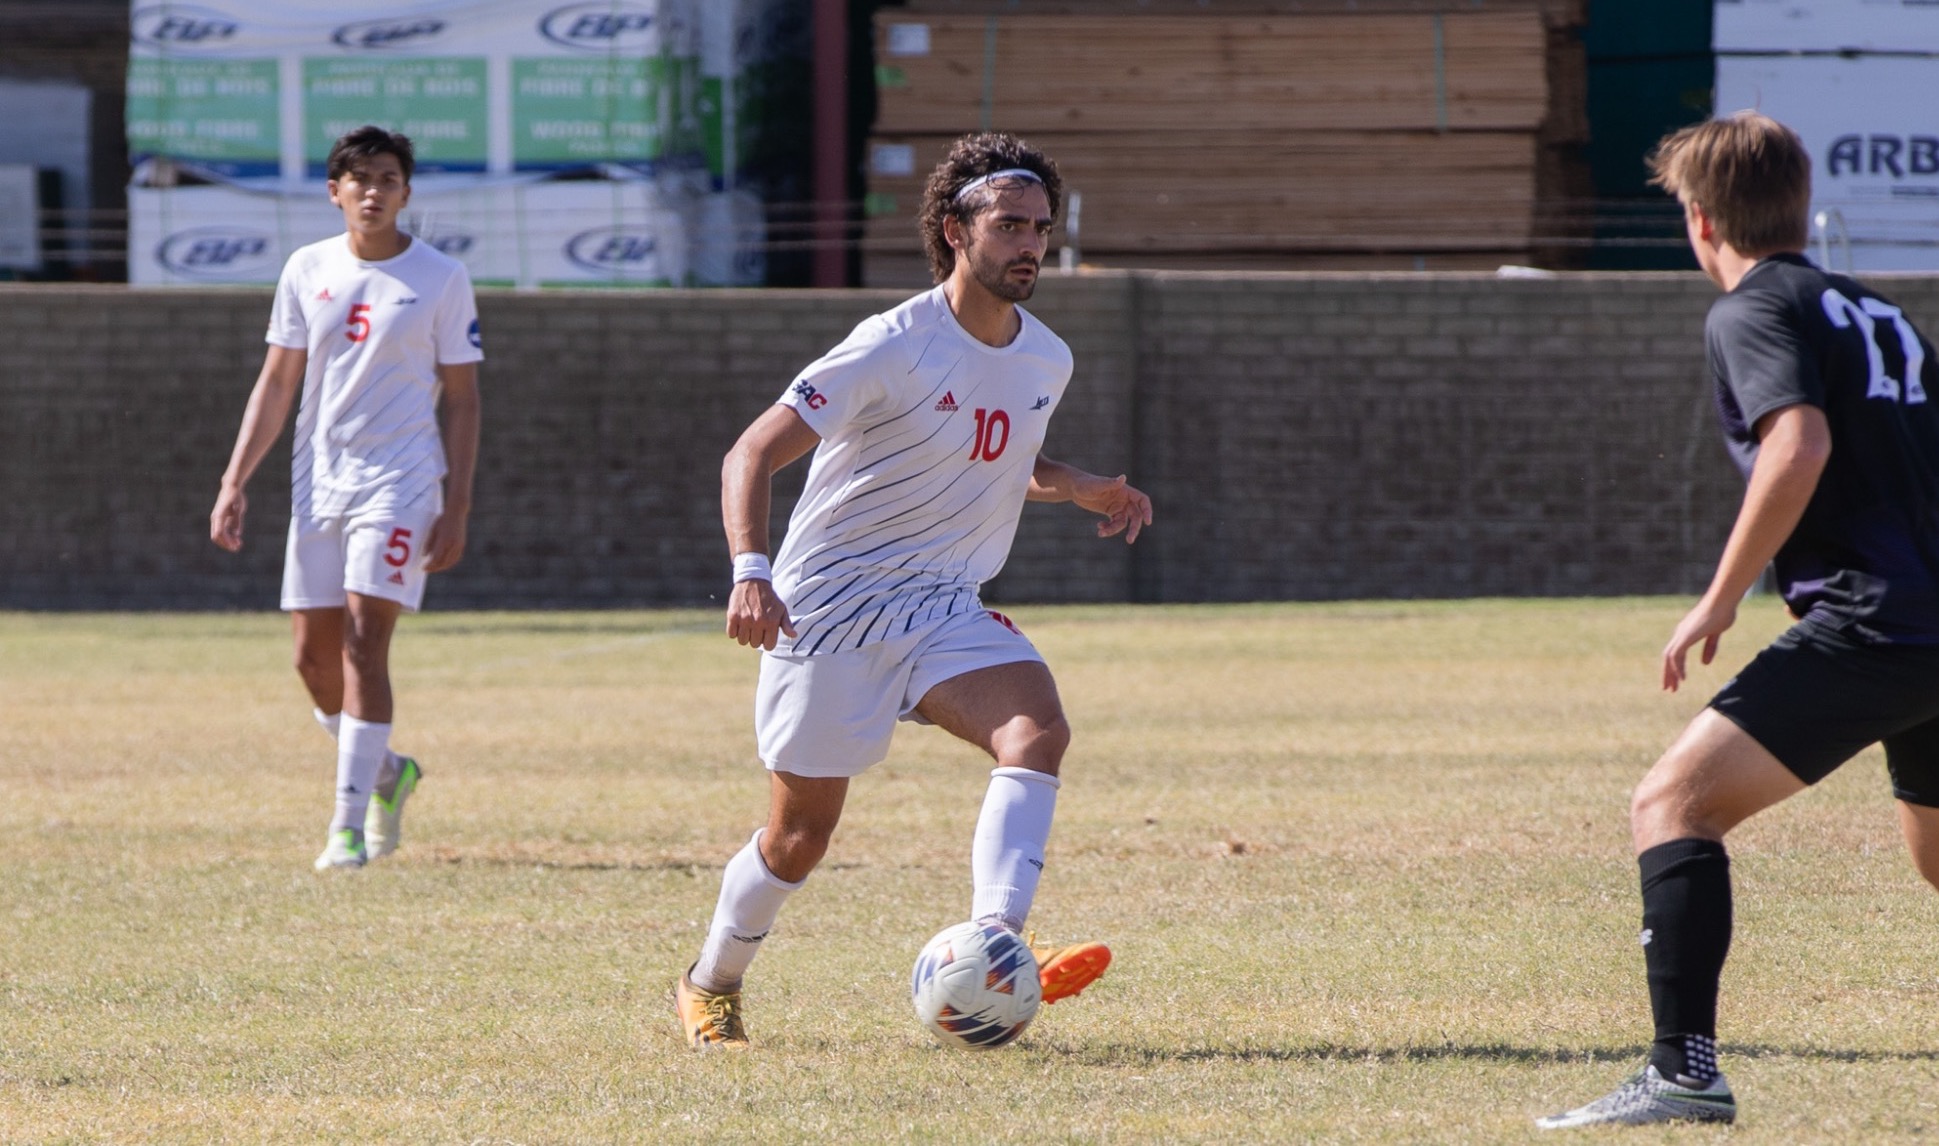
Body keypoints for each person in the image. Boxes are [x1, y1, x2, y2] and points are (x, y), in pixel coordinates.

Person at [672, 132, 1154, 1050]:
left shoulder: (1045, 357)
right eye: (1009, 225)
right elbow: (751, 450)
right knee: (798, 839)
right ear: (954, 230)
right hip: (830, 610)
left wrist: (1078, 483)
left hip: (941, 603)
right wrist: (749, 569)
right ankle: (711, 981)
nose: (1028, 246)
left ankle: (996, 941)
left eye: (1039, 229)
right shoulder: (889, 344)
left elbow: (1002, 454)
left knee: (1035, 729)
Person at [1539, 111, 1939, 1128]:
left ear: (1698, 219)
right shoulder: (1876, 313)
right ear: (1801, 206)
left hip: (1875, 624)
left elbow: (1794, 446)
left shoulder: (1751, 310)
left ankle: (1681, 1071)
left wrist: (1720, 597)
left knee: (1671, 805)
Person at [210, 125, 483, 872]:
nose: (372, 191)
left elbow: (462, 400)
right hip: (317, 479)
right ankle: (388, 771)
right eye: (357, 178)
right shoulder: (307, 269)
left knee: (366, 640)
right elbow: (277, 382)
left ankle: (347, 827)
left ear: (405, 192)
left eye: (387, 178)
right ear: (334, 192)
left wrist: (455, 503)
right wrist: (236, 480)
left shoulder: (439, 277)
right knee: (311, 657)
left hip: (399, 482)